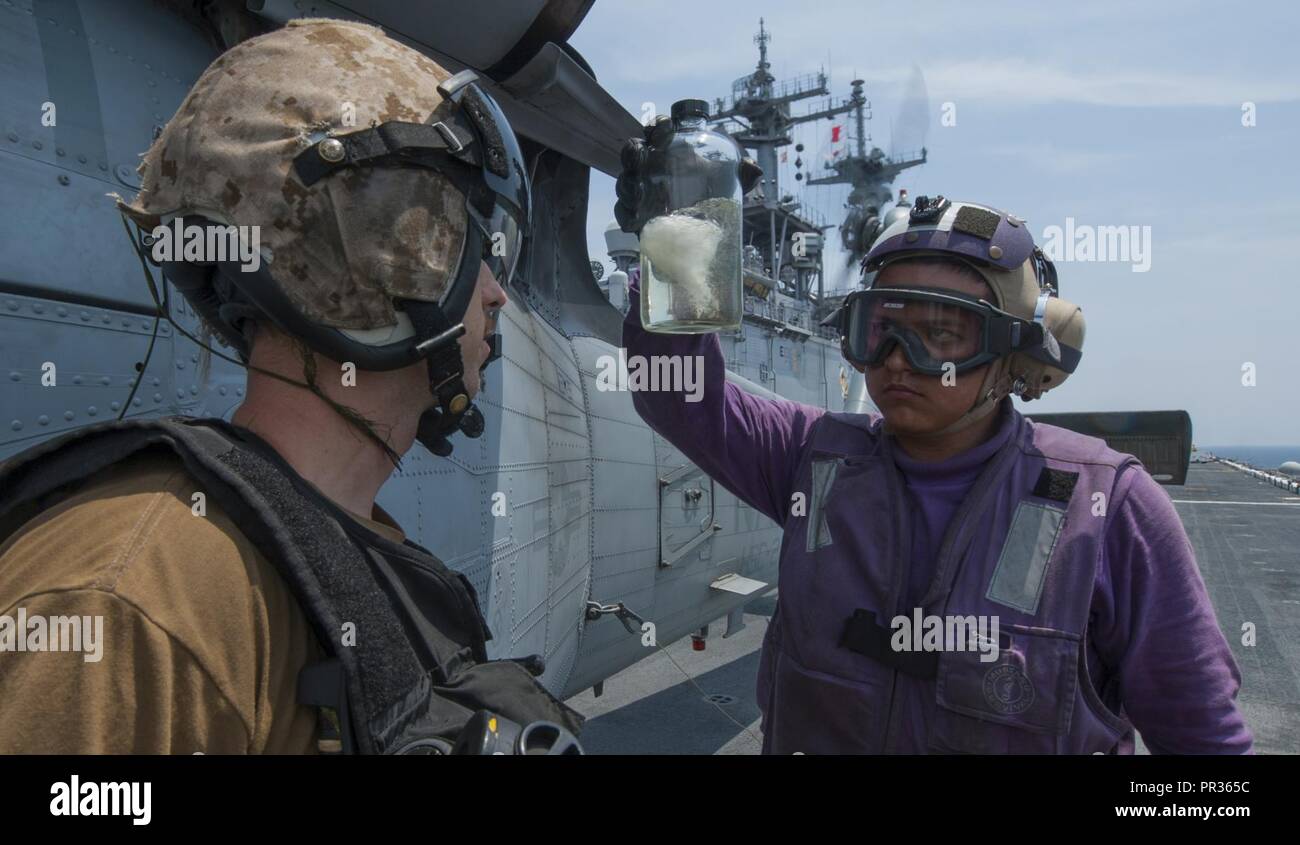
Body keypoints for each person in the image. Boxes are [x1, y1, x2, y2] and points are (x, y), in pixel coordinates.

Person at [0, 19, 580, 754]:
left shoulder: (326, 543)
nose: (497, 293)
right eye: (475, 244)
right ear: (375, 252)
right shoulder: (130, 606)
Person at [616, 130, 1252, 753]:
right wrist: (678, 255)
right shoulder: (814, 459)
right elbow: (677, 395)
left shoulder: (1111, 508)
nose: (896, 361)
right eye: (879, 330)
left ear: (1012, 354)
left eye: (941, 335)